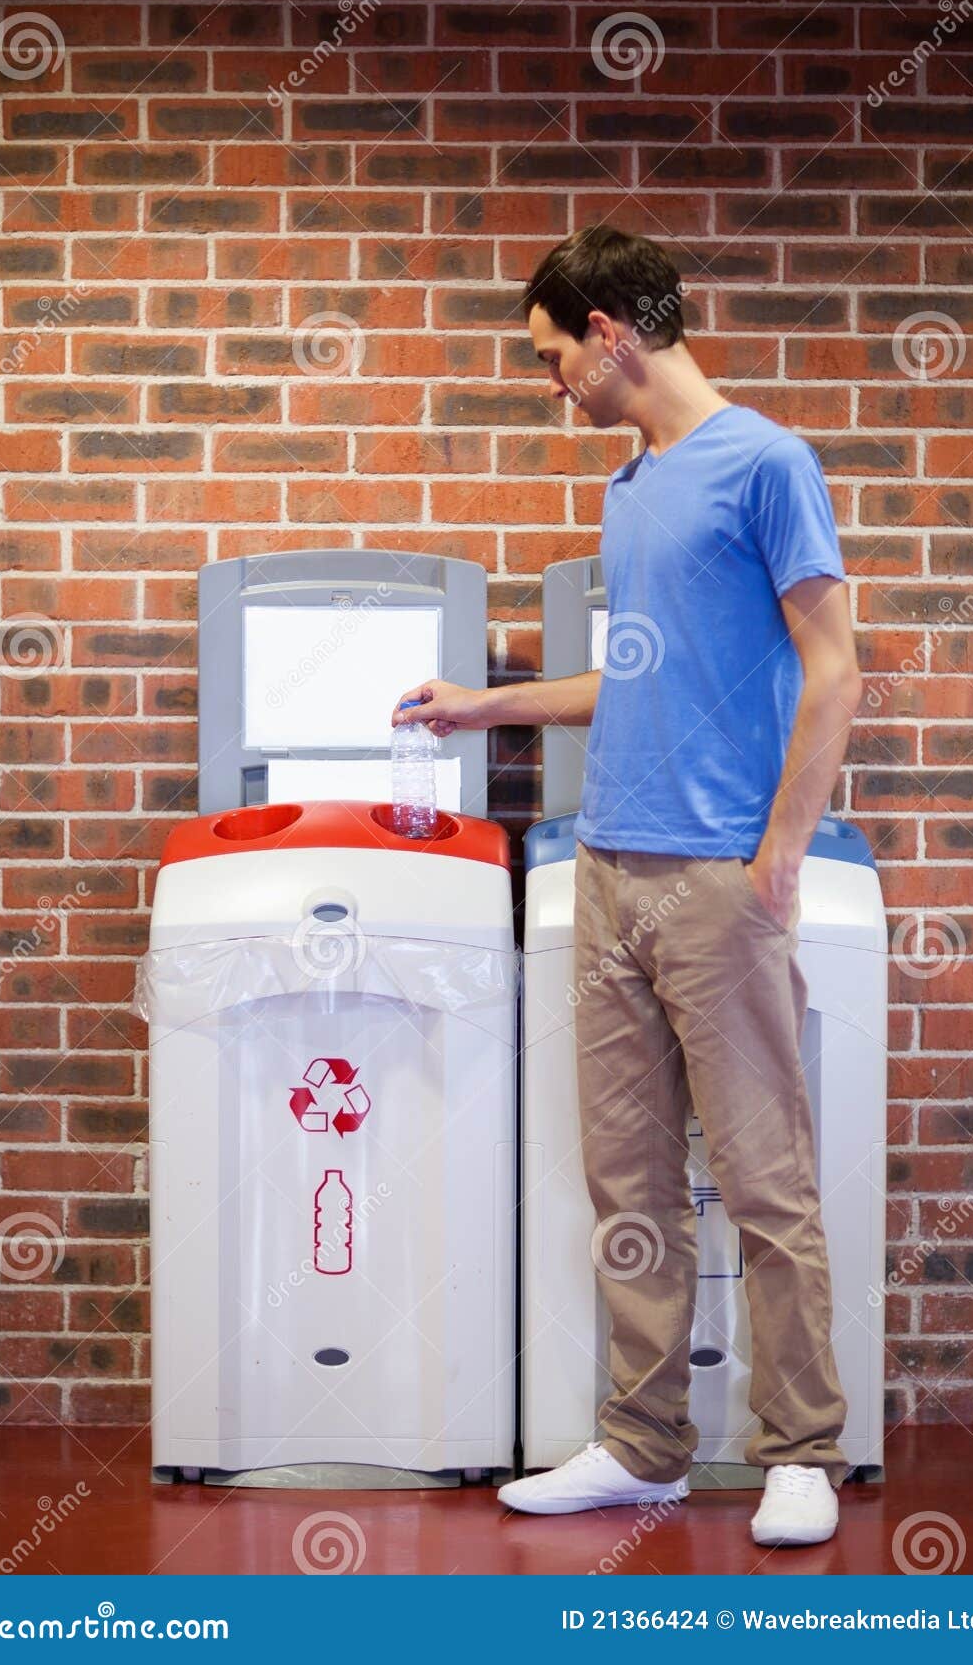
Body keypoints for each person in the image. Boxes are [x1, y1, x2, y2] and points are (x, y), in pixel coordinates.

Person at [391, 227, 862, 1548]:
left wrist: (781, 850)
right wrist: (492, 703)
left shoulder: (765, 465)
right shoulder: (634, 477)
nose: (554, 385)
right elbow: (642, 675)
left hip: (720, 881)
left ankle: (802, 1449)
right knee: (632, 1185)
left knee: (766, 1182)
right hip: (606, 871)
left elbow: (834, 669)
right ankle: (643, 1444)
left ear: (610, 333)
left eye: (554, 358)